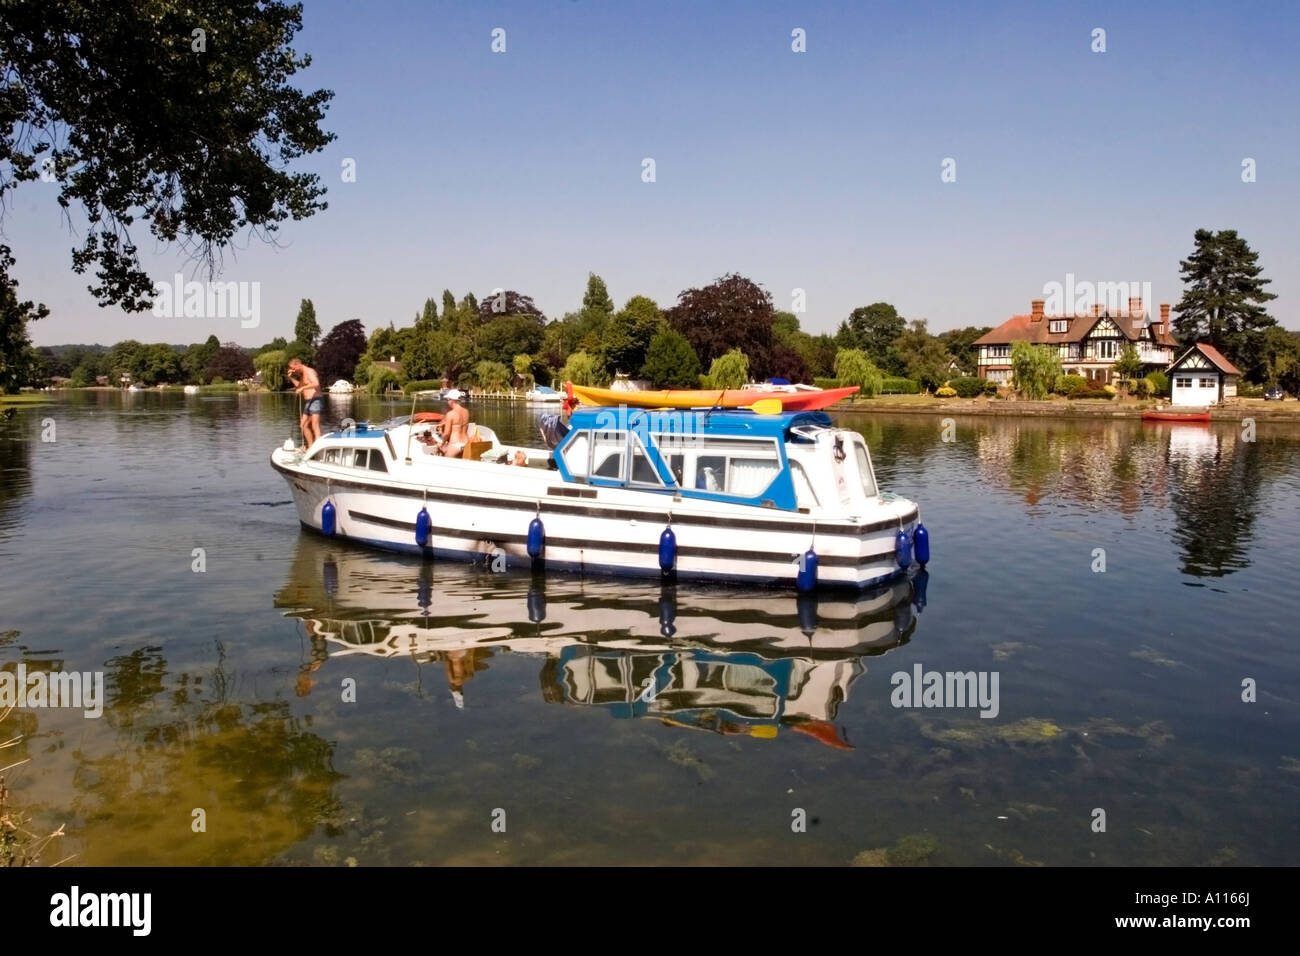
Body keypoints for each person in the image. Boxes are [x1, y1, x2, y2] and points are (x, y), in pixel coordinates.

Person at [288, 358, 323, 448]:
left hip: (316, 400)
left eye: (294, 368)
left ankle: (318, 448)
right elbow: (298, 386)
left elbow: (316, 383)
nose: (293, 370)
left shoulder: (309, 372)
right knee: (303, 425)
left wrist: (302, 388)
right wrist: (291, 377)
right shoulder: (302, 375)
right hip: (308, 402)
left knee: (315, 425)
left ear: (298, 365)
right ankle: (311, 447)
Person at [436, 389, 469, 457]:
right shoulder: (466, 412)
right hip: (466, 443)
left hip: (455, 444)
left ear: (451, 400)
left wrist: (442, 443)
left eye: (448, 399)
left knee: (444, 462)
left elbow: (446, 434)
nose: (447, 402)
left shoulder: (450, 414)